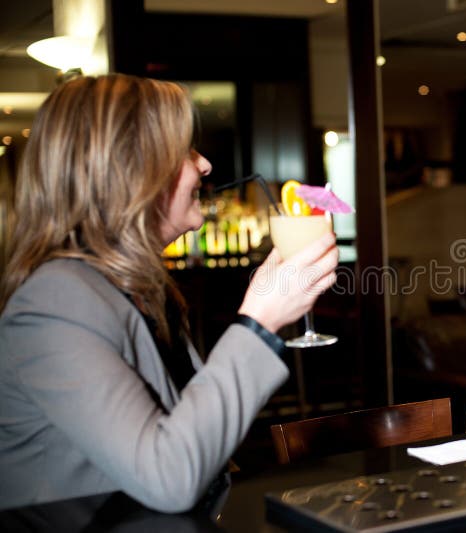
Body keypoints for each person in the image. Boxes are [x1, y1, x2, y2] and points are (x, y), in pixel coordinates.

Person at [0, 74, 338, 511]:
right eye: (184, 151)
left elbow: (198, 447)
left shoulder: (141, 288)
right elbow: (168, 478)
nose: (204, 165)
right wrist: (259, 324)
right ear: (130, 169)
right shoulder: (52, 303)